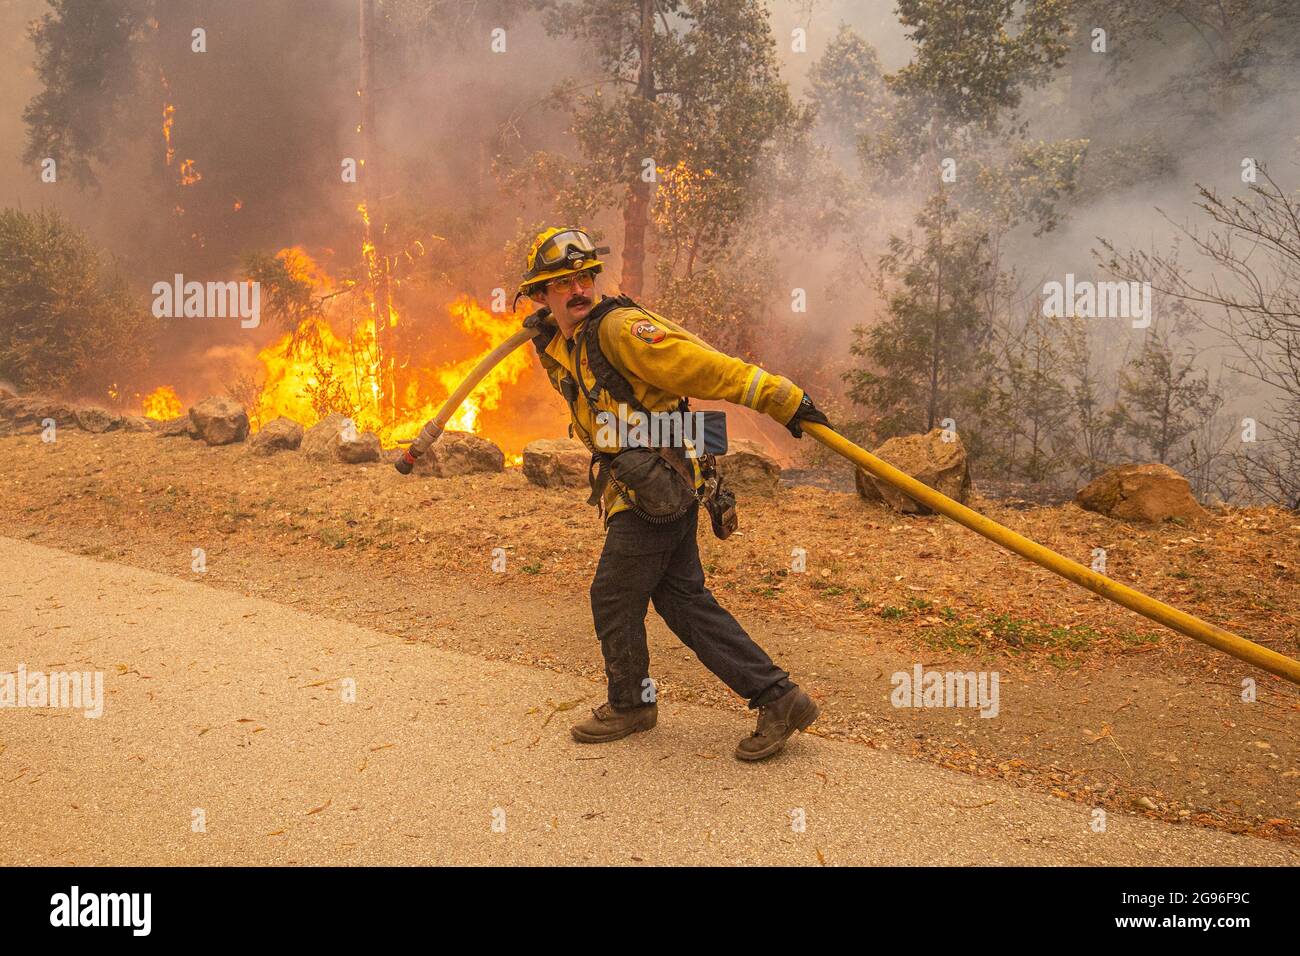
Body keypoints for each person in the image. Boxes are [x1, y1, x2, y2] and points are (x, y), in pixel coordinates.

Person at [519, 227, 830, 761]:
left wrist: (783, 398)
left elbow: (701, 365)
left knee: (614, 597)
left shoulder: (618, 330)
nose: (579, 288)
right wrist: (551, 341)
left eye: (586, 276)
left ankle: (632, 704)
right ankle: (780, 697)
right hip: (650, 485)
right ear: (542, 294)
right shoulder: (567, 342)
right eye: (563, 282)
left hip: (654, 492)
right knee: (682, 600)